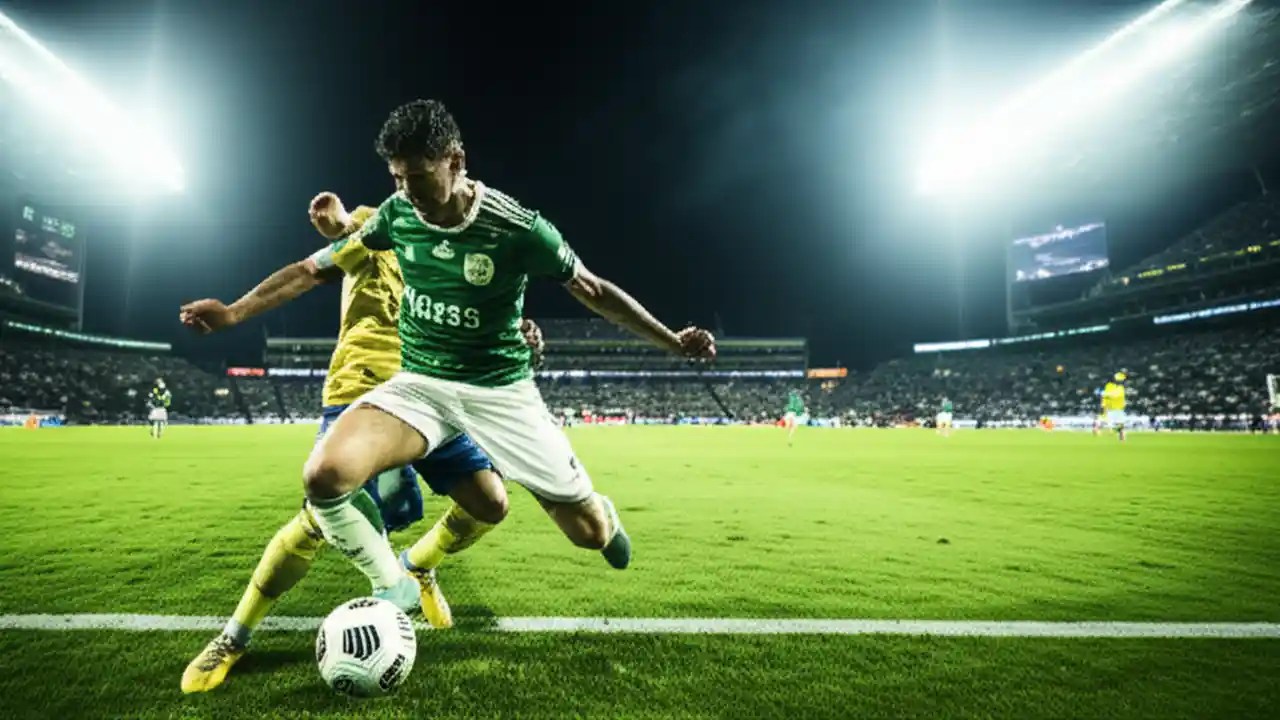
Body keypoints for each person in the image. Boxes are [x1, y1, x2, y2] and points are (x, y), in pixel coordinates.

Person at [271, 98, 714, 607]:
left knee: (588, 533)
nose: (405, 191)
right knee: (324, 476)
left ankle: (601, 514)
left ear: (456, 161)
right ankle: (394, 586)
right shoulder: (397, 215)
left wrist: (672, 339)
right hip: (421, 383)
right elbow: (329, 255)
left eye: (416, 175)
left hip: (500, 391)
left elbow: (593, 291)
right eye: (396, 177)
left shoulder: (517, 228)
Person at [178, 203, 543, 693]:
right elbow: (311, 267)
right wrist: (235, 312)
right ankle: (234, 637)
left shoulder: (469, 256)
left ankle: (417, 568)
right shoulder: (381, 225)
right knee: (317, 518)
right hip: (362, 390)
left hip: (432, 398)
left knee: (490, 502)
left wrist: (512, 338)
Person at [1100, 372, 1128, 442]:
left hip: (1118, 409)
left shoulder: (1120, 388)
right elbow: (1110, 396)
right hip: (1112, 409)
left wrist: (1105, 394)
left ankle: (1121, 436)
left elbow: (1114, 395)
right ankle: (1120, 435)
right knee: (1114, 424)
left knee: (1119, 424)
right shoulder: (1114, 387)